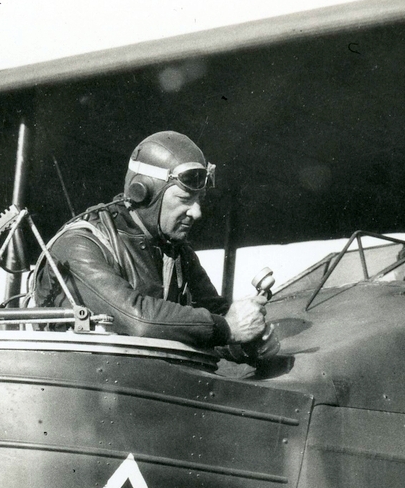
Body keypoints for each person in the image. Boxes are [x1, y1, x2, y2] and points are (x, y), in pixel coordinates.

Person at [35, 131, 276, 358]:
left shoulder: (177, 253)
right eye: (185, 199)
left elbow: (215, 315)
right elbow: (140, 321)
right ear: (143, 193)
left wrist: (248, 341)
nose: (197, 212)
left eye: (199, 200)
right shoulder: (80, 245)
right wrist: (228, 328)